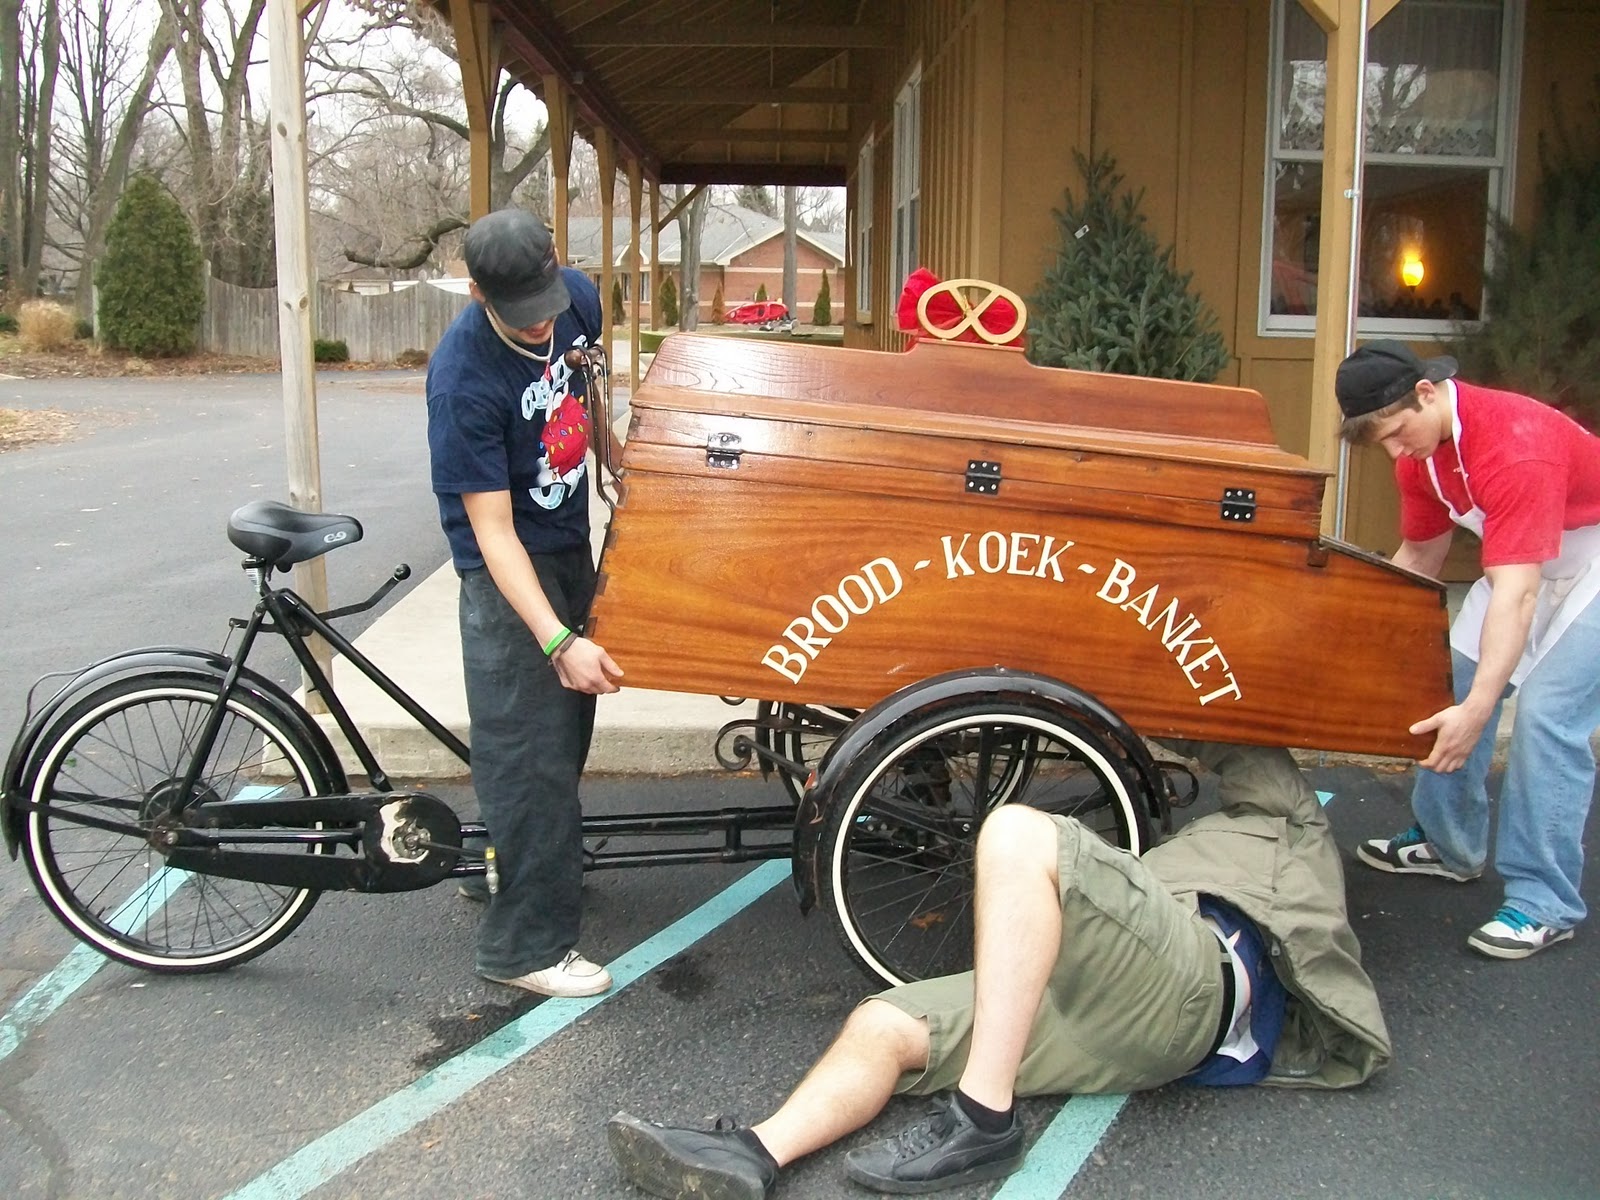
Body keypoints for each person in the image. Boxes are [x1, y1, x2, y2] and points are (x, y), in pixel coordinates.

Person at [606, 741, 1390, 1198]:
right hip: (1114, 1023)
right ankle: (753, 1155)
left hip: (1195, 982)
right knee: (884, 1022)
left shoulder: (1291, 823)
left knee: (1017, 833)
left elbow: (1247, 739)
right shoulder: (1198, 842)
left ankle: (984, 1119)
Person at [1336, 340, 1600, 960]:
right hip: (1531, 569)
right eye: (1385, 444)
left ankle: (1545, 901)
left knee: (1545, 715)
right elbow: (1420, 563)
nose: (1397, 451)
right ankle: (1448, 844)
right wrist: (1360, 644)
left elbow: (1517, 593)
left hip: (1586, 564)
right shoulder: (1420, 456)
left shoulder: (1514, 446)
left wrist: (1483, 709)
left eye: (1400, 433)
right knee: (1443, 680)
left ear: (1426, 393)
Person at [426, 208, 623, 998]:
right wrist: (554, 639)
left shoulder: (574, 297)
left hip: (568, 543)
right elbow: (493, 533)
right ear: (477, 294)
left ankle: (513, 864)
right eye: (523, 315)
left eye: (546, 304)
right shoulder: (463, 378)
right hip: (508, 578)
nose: (542, 324)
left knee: (563, 739)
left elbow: (586, 379)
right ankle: (524, 948)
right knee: (529, 758)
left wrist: (615, 453)